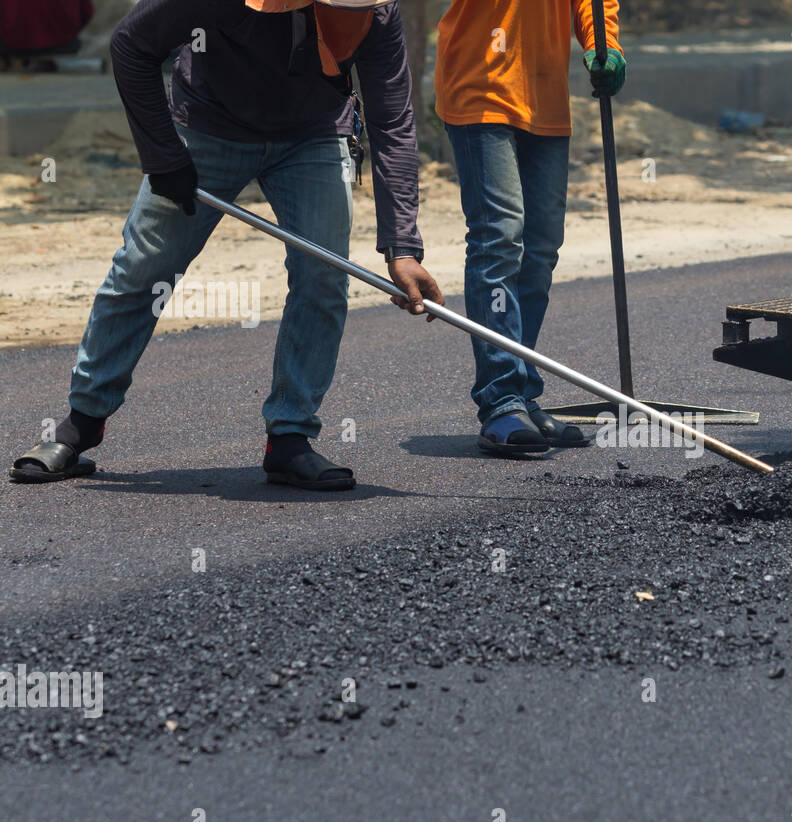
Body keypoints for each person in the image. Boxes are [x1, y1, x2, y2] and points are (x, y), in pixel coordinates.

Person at [9, 0, 442, 490]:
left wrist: (402, 248)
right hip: (207, 126)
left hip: (315, 135)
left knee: (323, 278)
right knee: (144, 267)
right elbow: (130, 45)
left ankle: (291, 437)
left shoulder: (376, 9)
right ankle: (81, 423)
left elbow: (392, 119)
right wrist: (163, 155)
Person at [434, 0, 625, 456]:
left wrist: (604, 45)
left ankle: (523, 390)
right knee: (499, 238)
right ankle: (501, 401)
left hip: (544, 95)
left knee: (539, 250)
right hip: (480, 87)